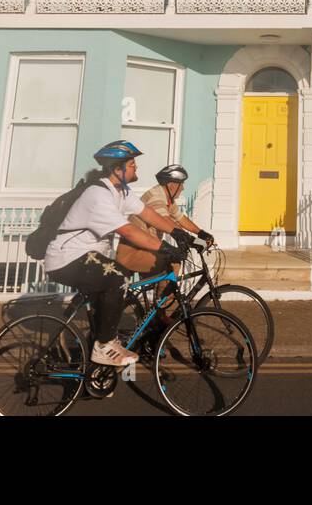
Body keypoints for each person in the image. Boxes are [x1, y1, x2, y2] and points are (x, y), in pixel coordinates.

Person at [42, 140, 192, 367]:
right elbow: (129, 230)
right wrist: (164, 247)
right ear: (117, 169)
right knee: (118, 276)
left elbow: (147, 213)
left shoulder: (121, 192)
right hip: (68, 258)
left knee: (104, 302)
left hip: (88, 256)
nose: (136, 168)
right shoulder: (98, 195)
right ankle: (105, 346)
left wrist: (179, 233)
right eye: (132, 164)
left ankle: (92, 370)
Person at [115, 163, 215, 275]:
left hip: (146, 248)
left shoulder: (167, 198)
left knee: (167, 266)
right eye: (181, 184)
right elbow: (166, 222)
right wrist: (193, 241)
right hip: (133, 253)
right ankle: (166, 294)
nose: (183, 188)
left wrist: (201, 234)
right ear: (172, 185)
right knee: (172, 263)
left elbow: (181, 218)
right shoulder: (156, 198)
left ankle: (162, 292)